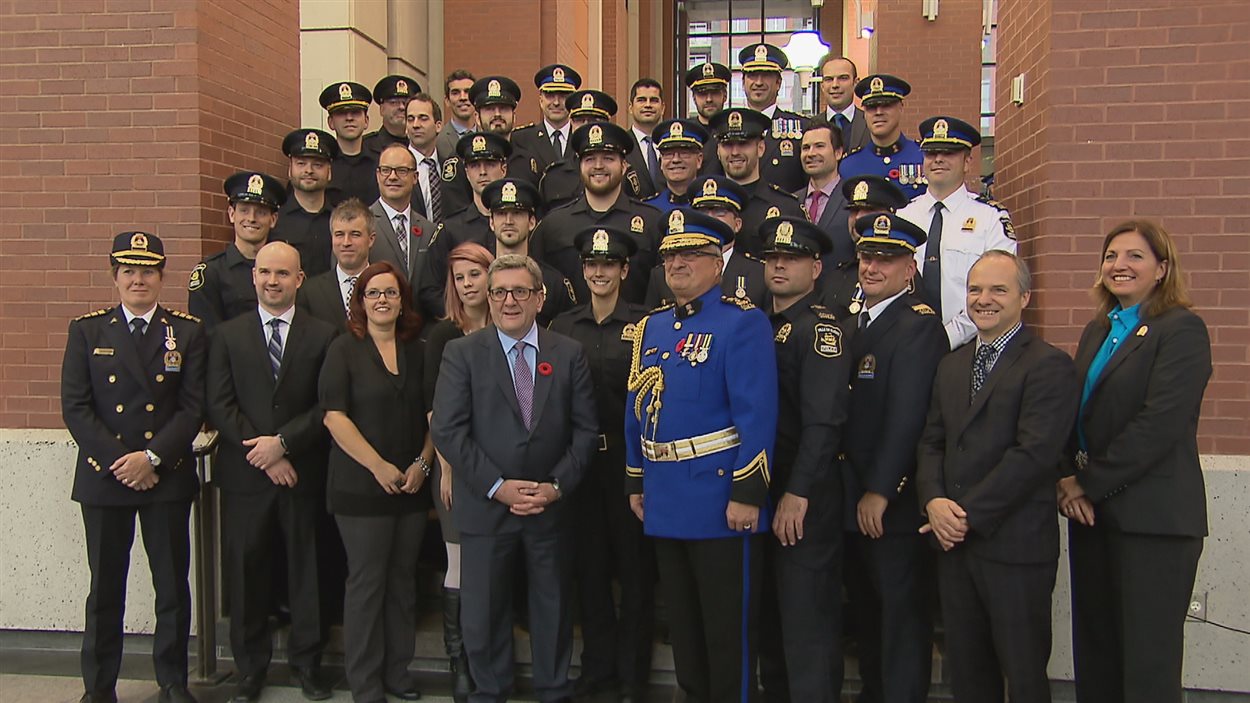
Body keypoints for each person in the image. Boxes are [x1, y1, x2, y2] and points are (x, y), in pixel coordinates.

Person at [624, 208, 778, 703]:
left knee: (725, 630)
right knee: (685, 629)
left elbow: (757, 414)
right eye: (671, 254)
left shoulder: (742, 324)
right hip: (665, 497)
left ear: (719, 264)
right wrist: (635, 480)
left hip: (720, 501)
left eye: (692, 254)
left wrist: (748, 492)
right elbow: (638, 407)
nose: (678, 263)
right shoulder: (651, 329)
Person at [432, 254, 598, 703]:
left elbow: (585, 432)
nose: (509, 301)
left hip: (551, 508)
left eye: (520, 291)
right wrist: (497, 486)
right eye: (499, 292)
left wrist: (556, 486)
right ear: (488, 299)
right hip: (486, 508)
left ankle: (553, 690)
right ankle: (490, 692)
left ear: (539, 298)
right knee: (483, 614)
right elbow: (447, 429)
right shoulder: (461, 353)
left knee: (554, 608)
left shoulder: (569, 354)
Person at [1057, 220, 1212, 703]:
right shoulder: (1098, 329)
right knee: (1098, 655)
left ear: (1163, 269)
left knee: (1147, 663)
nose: (1118, 265)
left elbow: (1158, 425)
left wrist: (1087, 483)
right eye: (1110, 256)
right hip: (1094, 517)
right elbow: (1071, 409)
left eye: (1134, 256)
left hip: (1153, 522)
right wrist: (1065, 477)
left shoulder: (1181, 329)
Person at [916, 250, 1078, 703]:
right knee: (968, 676)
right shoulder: (951, 365)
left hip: (1014, 548)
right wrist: (933, 501)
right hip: (954, 548)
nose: (983, 299)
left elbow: (1035, 455)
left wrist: (965, 515)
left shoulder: (1048, 364)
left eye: (998, 290)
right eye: (975, 290)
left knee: (1023, 675)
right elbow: (931, 442)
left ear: (1024, 297)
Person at [62, 231, 206, 703]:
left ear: (162, 276)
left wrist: (151, 458)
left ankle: (172, 682)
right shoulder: (86, 330)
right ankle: (98, 687)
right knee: (105, 590)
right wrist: (121, 462)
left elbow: (192, 407)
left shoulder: (186, 331)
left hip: (164, 474)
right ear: (115, 277)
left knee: (171, 588)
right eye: (129, 271)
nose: (138, 280)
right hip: (107, 477)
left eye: (148, 271)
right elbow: (76, 408)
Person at [207, 242, 338, 702]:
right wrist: (262, 452)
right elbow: (220, 404)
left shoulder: (324, 335)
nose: (272, 281)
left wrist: (284, 444)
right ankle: (250, 670)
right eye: (264, 272)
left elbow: (327, 404)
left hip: (303, 473)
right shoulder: (227, 335)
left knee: (308, 572)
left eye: (283, 273)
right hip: (246, 477)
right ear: (253, 277)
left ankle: (308, 665)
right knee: (247, 575)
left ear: (299, 279)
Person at [842, 213, 948, 703]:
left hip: (892, 504)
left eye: (886, 259)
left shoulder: (918, 326)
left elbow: (909, 419)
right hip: (850, 494)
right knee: (868, 615)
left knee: (901, 620)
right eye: (867, 256)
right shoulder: (853, 321)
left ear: (910, 269)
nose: (872, 267)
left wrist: (881, 490)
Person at [319, 261, 434, 703]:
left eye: (390, 293)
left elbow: (432, 415)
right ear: (360, 302)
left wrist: (423, 465)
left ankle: (398, 675)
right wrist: (378, 466)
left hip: (409, 487)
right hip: (361, 488)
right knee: (367, 584)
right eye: (373, 293)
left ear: (402, 300)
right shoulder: (343, 349)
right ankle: (366, 686)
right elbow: (334, 416)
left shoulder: (418, 350)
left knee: (403, 583)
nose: (382, 300)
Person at [549, 227, 654, 702]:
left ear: (624, 269)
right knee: (588, 573)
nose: (599, 272)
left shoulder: (646, 325)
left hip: (631, 467)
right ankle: (597, 671)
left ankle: (633, 677)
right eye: (591, 264)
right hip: (581, 465)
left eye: (608, 264)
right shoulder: (563, 326)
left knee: (634, 576)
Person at [755, 217, 852, 703]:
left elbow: (823, 423)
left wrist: (799, 493)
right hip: (763, 491)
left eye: (790, 258)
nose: (778, 264)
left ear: (816, 267)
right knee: (771, 620)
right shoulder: (760, 324)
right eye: (772, 256)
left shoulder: (819, 330)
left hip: (804, 494)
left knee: (806, 621)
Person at [424, 242, 495, 703]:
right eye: (460, 278)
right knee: (459, 564)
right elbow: (436, 414)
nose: (468, 284)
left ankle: (488, 656)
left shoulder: (510, 327)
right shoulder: (442, 336)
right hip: (455, 468)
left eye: (475, 274)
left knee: (492, 565)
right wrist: (447, 470)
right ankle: (460, 663)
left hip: (498, 469)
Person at [898, 116, 1015, 349]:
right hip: (907, 344)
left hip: (970, 346)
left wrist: (946, 338)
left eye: (949, 152)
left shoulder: (990, 218)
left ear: (967, 162)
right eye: (931, 153)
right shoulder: (903, 217)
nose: (938, 159)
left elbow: (999, 288)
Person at [530, 121, 663, 305]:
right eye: (590, 159)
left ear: (624, 166)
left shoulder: (652, 222)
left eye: (608, 158)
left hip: (636, 330)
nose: (598, 166)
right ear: (579, 166)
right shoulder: (553, 226)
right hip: (568, 331)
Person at [420, 132, 513, 318]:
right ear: (466, 172)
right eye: (474, 165)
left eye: (490, 164)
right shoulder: (451, 229)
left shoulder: (518, 225)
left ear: (503, 168)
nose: (483, 172)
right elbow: (429, 290)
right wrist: (463, 316)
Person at [644, 175, 767, 308]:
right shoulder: (663, 274)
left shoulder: (759, 274)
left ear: (737, 224)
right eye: (702, 213)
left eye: (720, 212)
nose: (710, 220)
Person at [189, 171, 286, 332]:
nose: (252, 218)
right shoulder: (211, 273)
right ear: (232, 214)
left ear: (273, 219)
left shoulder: (286, 270)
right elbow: (207, 337)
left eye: (261, 212)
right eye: (244, 210)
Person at [706, 108, 805, 256]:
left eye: (743, 144)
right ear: (718, 151)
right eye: (727, 145)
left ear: (760, 148)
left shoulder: (787, 208)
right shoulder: (703, 208)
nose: (735, 152)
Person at [481, 177, 576, 325]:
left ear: (532, 222)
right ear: (491, 222)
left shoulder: (553, 282)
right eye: (501, 214)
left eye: (517, 213)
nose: (508, 221)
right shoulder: (477, 276)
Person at [537, 89, 648, 210]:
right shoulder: (554, 175)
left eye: (593, 120)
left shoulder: (622, 173)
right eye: (579, 120)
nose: (586, 125)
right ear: (571, 123)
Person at [818, 174, 909, 318]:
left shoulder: (902, 274)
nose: (859, 217)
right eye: (854, 211)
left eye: (869, 210)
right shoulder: (839, 274)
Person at [838, 74, 926, 198]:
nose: (878, 112)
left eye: (886, 105)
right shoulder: (849, 165)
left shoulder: (924, 157)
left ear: (901, 107)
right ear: (864, 113)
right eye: (871, 107)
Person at [738, 42, 808, 193]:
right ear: (743, 83)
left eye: (766, 76)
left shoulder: (802, 127)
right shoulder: (730, 128)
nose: (758, 82)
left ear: (778, 83)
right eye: (752, 76)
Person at [298, 198, 375, 330]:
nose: (346, 242)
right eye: (339, 234)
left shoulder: (387, 287)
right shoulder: (310, 292)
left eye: (355, 234)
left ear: (371, 239)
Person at [273, 128, 341, 278]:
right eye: (301, 163)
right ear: (290, 170)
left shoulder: (340, 221)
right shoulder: (275, 221)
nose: (308, 170)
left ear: (329, 172)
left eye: (317, 165)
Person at [369, 144, 436, 292]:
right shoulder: (362, 226)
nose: (392, 177)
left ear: (415, 177)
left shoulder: (429, 230)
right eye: (386, 170)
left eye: (402, 171)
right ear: (377, 175)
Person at [511, 64, 582, 176]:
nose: (556, 102)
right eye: (550, 95)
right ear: (540, 99)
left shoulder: (582, 139)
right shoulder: (521, 140)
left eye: (563, 95)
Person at [796, 119, 852, 264]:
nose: (811, 153)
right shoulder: (791, 201)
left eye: (819, 146)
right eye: (806, 148)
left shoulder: (852, 201)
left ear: (838, 153)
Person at [320, 81, 380, 205]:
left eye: (356, 113)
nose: (349, 118)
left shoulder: (381, 163)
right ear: (330, 122)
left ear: (366, 121)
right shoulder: (321, 165)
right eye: (341, 113)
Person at [643, 118, 708, 214]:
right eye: (669, 154)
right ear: (661, 162)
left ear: (699, 160)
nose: (676, 160)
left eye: (684, 153)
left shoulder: (709, 207)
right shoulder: (648, 209)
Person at [405, 93, 447, 224]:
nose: (415, 125)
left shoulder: (449, 165)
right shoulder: (396, 168)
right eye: (410, 119)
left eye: (423, 118)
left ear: (438, 126)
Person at [683, 61, 730, 176]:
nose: (709, 99)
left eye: (714, 92)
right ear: (694, 98)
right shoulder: (685, 132)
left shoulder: (734, 130)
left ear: (725, 95)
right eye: (702, 94)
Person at [818, 53, 869, 153]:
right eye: (829, 79)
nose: (835, 85)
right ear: (822, 86)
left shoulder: (870, 123)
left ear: (855, 83)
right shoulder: (809, 126)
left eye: (843, 78)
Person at [625, 78, 666, 199]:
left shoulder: (672, 146)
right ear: (630, 108)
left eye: (654, 100)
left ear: (663, 108)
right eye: (641, 100)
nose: (648, 105)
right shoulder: (621, 146)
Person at [363, 74, 418, 155]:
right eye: (394, 102)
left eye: (406, 103)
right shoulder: (365, 147)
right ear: (382, 109)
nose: (401, 107)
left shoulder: (419, 146)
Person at [436, 69, 478, 158]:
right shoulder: (438, 141)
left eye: (467, 92)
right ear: (447, 101)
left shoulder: (488, 135)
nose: (462, 97)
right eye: (455, 93)